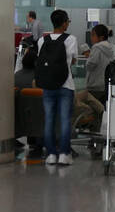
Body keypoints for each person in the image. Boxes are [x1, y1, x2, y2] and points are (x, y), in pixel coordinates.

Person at [34, 9, 80, 165]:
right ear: (64, 22)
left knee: (49, 120)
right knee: (65, 120)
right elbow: (73, 61)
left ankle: (51, 154)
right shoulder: (71, 39)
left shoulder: (42, 40)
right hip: (66, 85)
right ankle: (64, 154)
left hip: (48, 85)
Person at [84, 24, 115, 104]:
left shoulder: (96, 47)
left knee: (93, 110)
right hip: (105, 85)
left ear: (101, 37)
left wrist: (88, 58)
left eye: (93, 35)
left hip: (95, 86)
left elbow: (90, 65)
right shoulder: (110, 48)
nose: (91, 38)